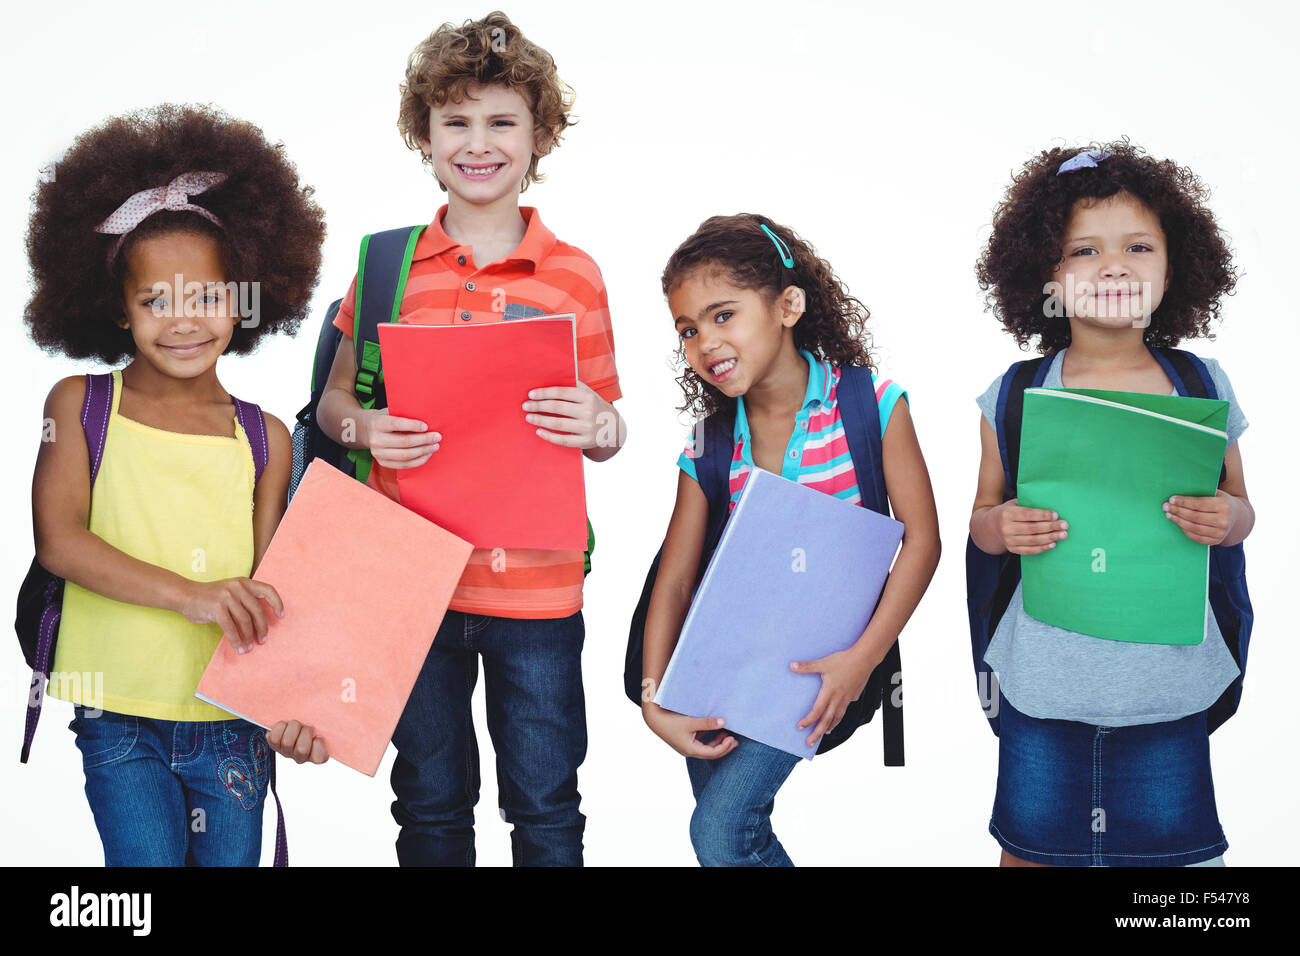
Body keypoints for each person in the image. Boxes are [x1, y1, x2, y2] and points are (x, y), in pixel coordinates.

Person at [315, 12, 624, 867]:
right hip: (408, 578)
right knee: (430, 803)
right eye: (455, 121)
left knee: (547, 804)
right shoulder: (385, 265)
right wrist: (367, 426)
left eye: (502, 121)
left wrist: (601, 424)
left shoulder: (576, 274)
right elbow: (334, 407)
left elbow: (606, 425)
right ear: (425, 135)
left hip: (538, 589)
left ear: (539, 137)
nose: (477, 143)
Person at [26, 104, 328, 865]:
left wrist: (302, 708)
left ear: (244, 299)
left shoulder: (266, 437)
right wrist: (192, 595)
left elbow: (276, 592)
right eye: (155, 299)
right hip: (116, 715)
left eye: (207, 296)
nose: (184, 320)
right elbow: (60, 542)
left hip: (231, 723)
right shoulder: (83, 405)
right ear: (119, 311)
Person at [969, 142, 1252, 867]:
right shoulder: (1013, 394)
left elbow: (1242, 508)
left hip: (1167, 683)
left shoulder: (1201, 383)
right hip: (1045, 681)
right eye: (1084, 251)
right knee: (1030, 848)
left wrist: (1227, 519)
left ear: (1174, 263)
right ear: (1047, 277)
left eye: (1138, 246)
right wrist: (1002, 528)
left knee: (1175, 860)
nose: (1115, 266)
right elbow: (981, 521)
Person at [641, 213, 941, 866]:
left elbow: (922, 542)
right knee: (733, 839)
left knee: (719, 836)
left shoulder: (872, 405)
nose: (703, 342)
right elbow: (675, 578)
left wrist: (863, 659)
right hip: (714, 674)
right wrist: (653, 697)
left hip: (812, 677)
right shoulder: (710, 442)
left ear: (789, 305)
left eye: (723, 315)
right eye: (688, 329)